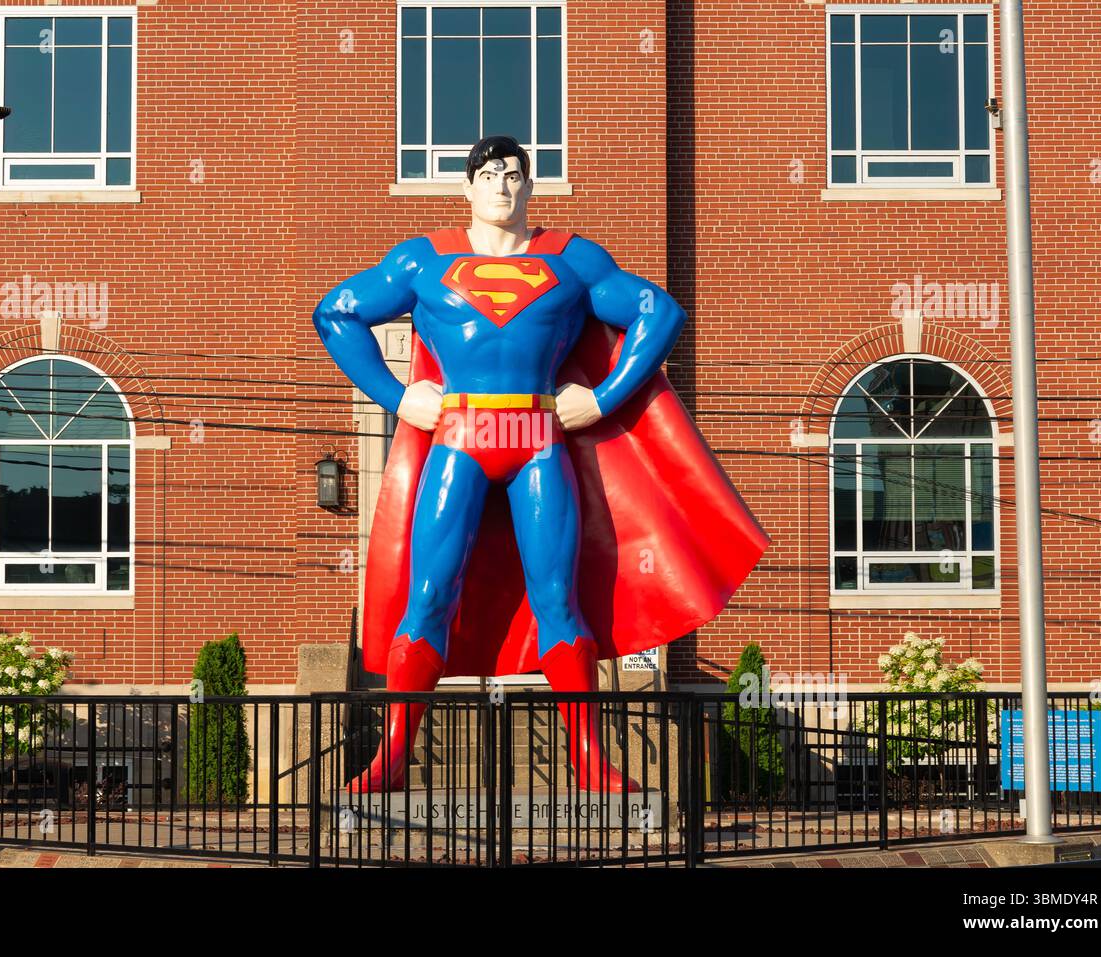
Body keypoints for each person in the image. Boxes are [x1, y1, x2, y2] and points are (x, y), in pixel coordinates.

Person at [314, 135, 767, 792]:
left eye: (514, 173)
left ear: (530, 186)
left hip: (537, 436)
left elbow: (658, 311)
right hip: (461, 434)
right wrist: (395, 394)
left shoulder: (571, 259)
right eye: (489, 173)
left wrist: (605, 398)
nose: (502, 184)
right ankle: (391, 758)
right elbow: (336, 312)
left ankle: (589, 760)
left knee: (560, 598)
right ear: (467, 187)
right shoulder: (423, 260)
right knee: (430, 594)